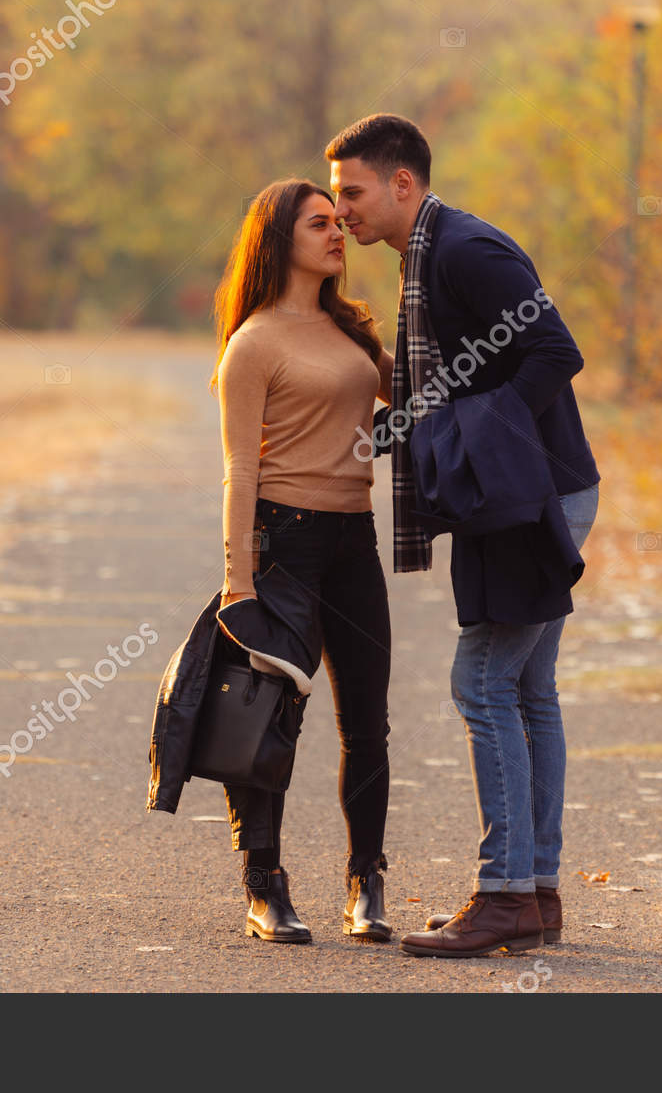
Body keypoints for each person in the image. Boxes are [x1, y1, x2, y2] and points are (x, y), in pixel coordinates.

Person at [326, 114, 600, 958]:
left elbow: (556, 351)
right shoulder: (427, 257)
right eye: (334, 198)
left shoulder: (463, 252)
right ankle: (537, 893)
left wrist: (483, 437)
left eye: (352, 192)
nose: (341, 212)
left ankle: (505, 893)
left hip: (527, 492)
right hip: (521, 490)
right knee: (526, 691)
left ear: (402, 184)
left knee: (482, 683)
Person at [210, 177, 397, 944]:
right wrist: (237, 582)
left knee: (369, 723)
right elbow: (240, 472)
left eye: (338, 221)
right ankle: (265, 885)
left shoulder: (352, 333)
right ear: (279, 238)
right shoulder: (252, 342)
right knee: (267, 718)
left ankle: (367, 881)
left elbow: (413, 399)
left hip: (355, 538)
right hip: (281, 541)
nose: (337, 232)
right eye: (319, 223)